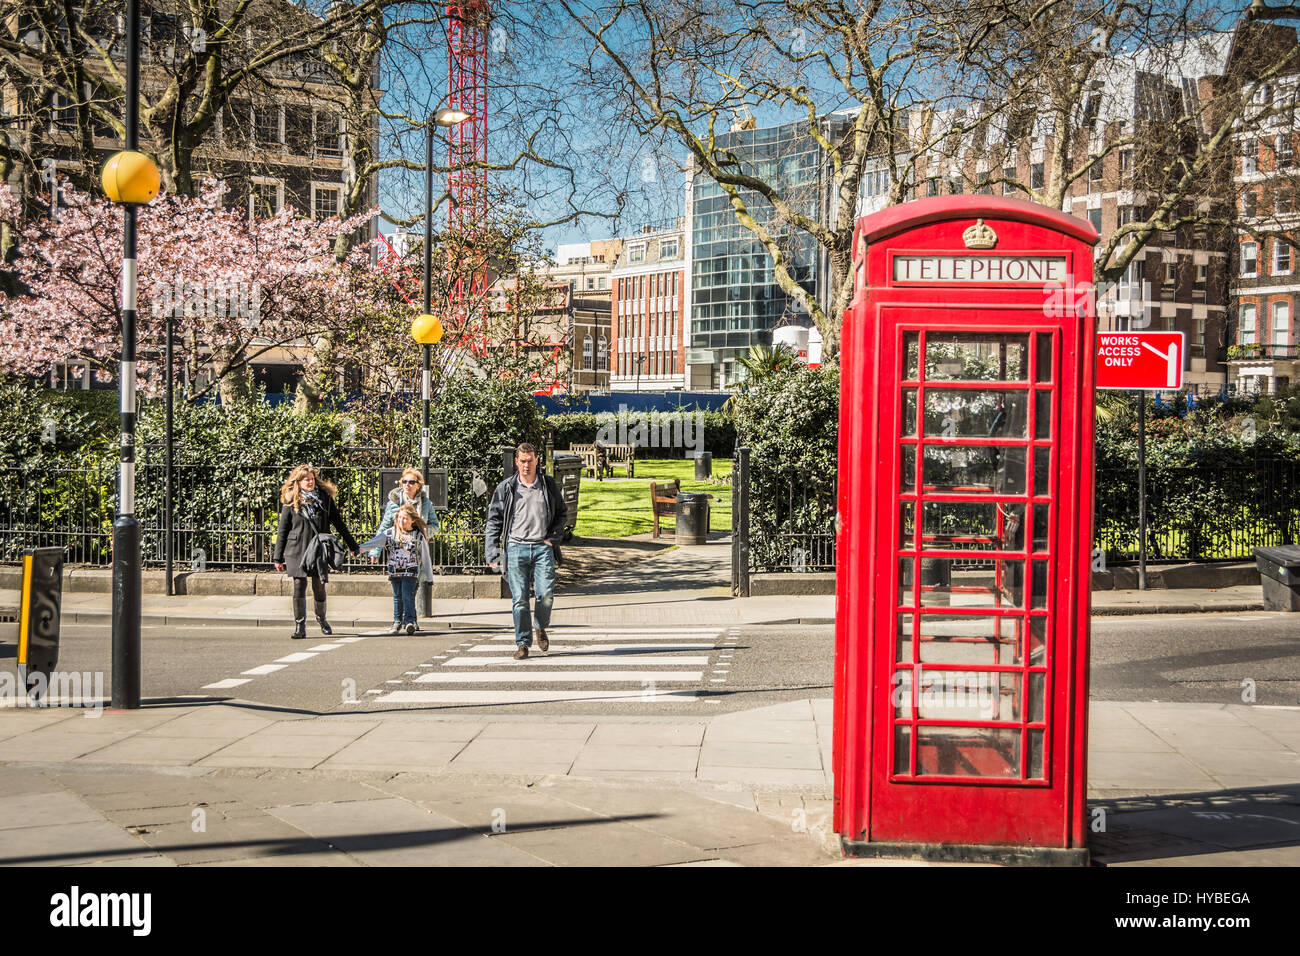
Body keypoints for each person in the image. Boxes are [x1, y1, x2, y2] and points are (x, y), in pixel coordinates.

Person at [485, 442, 566, 660]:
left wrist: (553, 538)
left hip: (542, 547)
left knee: (545, 595)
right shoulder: (507, 488)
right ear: (516, 462)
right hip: (515, 547)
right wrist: (492, 553)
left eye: (530, 460)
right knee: (519, 599)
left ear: (537, 461)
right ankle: (522, 642)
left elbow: (561, 514)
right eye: (522, 461)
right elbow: (494, 521)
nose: (526, 465)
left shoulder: (547, 485)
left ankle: (540, 626)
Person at [273, 464, 360, 640]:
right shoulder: (290, 499)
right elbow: (283, 529)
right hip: (296, 548)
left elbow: (338, 523)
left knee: (319, 585)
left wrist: (352, 545)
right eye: (307, 479)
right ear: (298, 482)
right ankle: (300, 625)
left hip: (317, 547)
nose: (310, 482)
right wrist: (277, 557)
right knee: (299, 584)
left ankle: (322, 619)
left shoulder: (324, 498)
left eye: (312, 479)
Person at [360, 503, 432, 635]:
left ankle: (409, 621)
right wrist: (359, 549)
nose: (401, 521)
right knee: (397, 597)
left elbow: (426, 557)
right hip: (395, 571)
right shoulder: (391, 533)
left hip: (410, 571)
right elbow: (376, 541)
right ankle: (397, 622)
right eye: (399, 518)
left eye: (404, 518)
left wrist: (429, 577)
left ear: (412, 520)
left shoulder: (418, 536)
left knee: (407, 596)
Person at [368, 468, 440, 562]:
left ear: (418, 485)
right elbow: (384, 528)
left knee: (420, 576)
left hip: (419, 549)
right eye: (404, 481)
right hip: (399, 548)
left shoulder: (426, 503)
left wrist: (421, 534)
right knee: (398, 575)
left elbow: (435, 525)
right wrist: (375, 551)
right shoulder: (394, 503)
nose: (407, 484)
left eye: (411, 482)